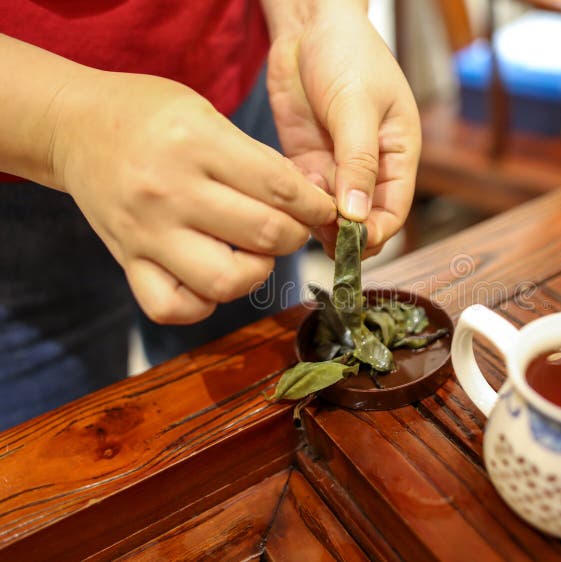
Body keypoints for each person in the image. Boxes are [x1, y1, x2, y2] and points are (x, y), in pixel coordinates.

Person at [0, 1, 421, 430]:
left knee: (260, 423)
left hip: (237, 104)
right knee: (63, 464)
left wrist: (313, 15)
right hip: (15, 180)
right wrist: (61, 126)